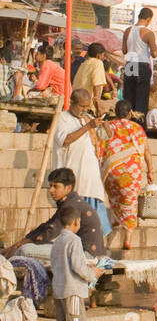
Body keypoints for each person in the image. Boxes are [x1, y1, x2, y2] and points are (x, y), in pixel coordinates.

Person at [8, 167, 105, 258]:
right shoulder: (70, 202)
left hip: (87, 255)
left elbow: (51, 232)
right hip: (78, 250)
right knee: (26, 245)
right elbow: (47, 226)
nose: (51, 190)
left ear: (68, 188)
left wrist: (21, 244)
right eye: (50, 186)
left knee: (25, 250)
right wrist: (20, 242)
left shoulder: (71, 205)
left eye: (55, 186)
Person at [52, 88, 111, 238]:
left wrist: (103, 117)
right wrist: (88, 126)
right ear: (72, 103)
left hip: (91, 180)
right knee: (75, 225)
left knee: (97, 226)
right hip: (73, 179)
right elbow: (65, 140)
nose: (84, 110)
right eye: (81, 106)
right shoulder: (62, 118)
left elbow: (107, 135)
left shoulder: (87, 118)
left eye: (87, 107)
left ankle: (98, 255)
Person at [98, 99, 155, 250]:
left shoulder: (109, 126)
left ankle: (116, 221)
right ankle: (128, 237)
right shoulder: (138, 128)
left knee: (114, 196)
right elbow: (147, 151)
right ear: (130, 113)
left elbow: (101, 148)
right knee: (130, 202)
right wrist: (150, 170)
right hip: (131, 172)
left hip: (112, 170)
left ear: (115, 113)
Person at [50, 203, 107, 321]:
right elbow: (77, 266)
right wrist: (92, 274)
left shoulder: (57, 241)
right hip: (72, 291)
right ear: (76, 221)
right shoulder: (74, 240)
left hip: (59, 291)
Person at [122, 8, 157, 115]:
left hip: (130, 64)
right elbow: (154, 54)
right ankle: (139, 127)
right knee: (141, 100)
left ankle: (128, 126)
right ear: (149, 19)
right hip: (141, 65)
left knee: (129, 98)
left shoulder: (128, 30)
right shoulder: (148, 33)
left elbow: (124, 51)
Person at [71, 42, 107, 111]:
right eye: (103, 55)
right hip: (87, 106)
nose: (103, 57)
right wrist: (98, 106)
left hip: (77, 102)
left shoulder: (84, 63)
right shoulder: (98, 63)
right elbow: (97, 85)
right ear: (98, 55)